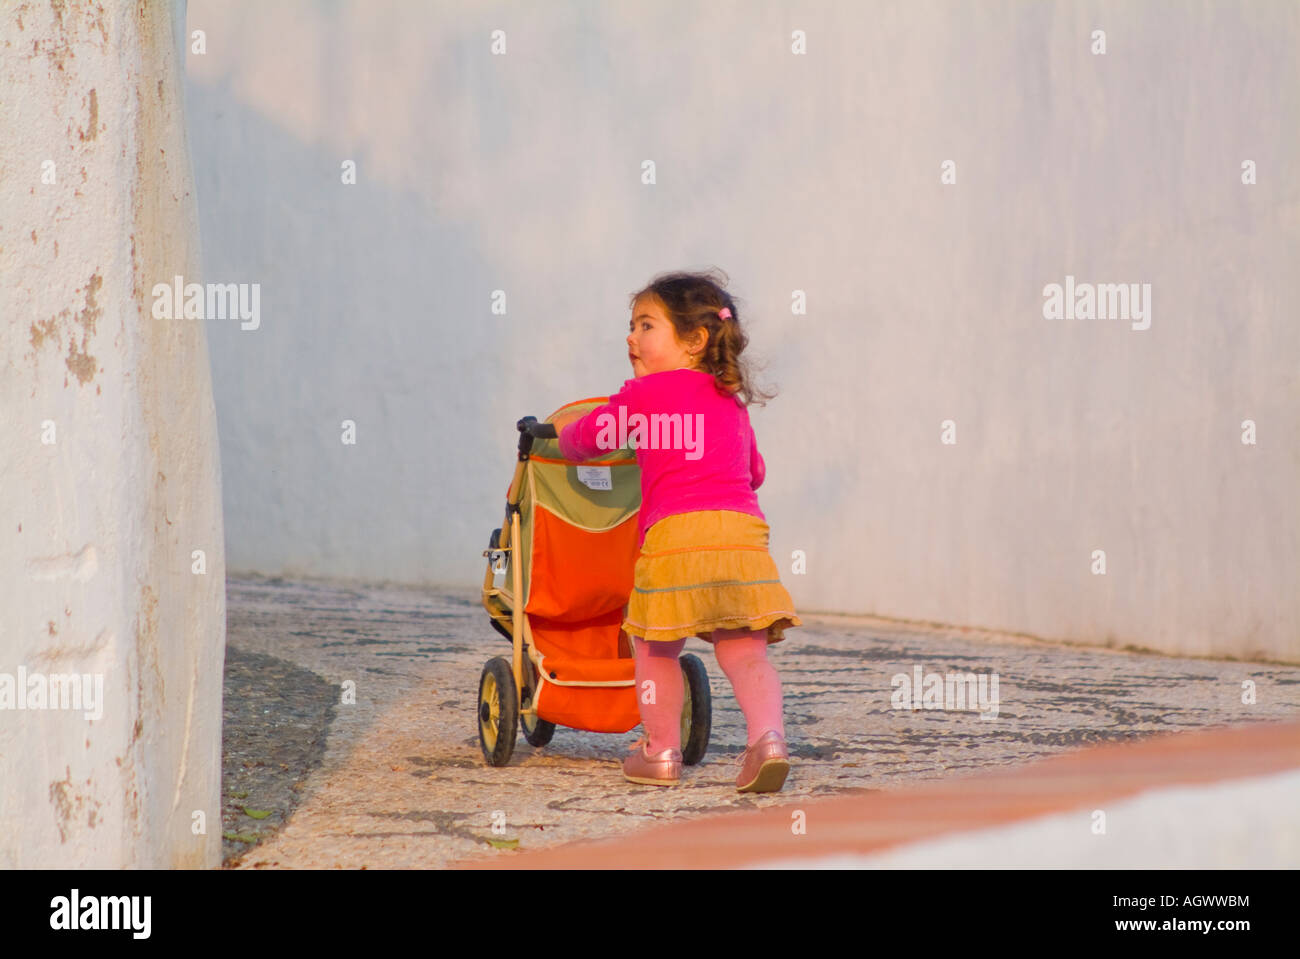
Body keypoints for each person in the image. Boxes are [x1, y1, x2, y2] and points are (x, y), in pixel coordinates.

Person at [553, 270, 801, 792]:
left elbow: (588, 440)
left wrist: (562, 433)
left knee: (656, 648)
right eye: (631, 326)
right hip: (740, 539)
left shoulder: (642, 395)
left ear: (694, 340)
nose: (631, 338)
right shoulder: (730, 399)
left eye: (646, 325)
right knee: (745, 651)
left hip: (673, 541)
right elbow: (755, 472)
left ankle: (660, 750)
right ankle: (768, 740)